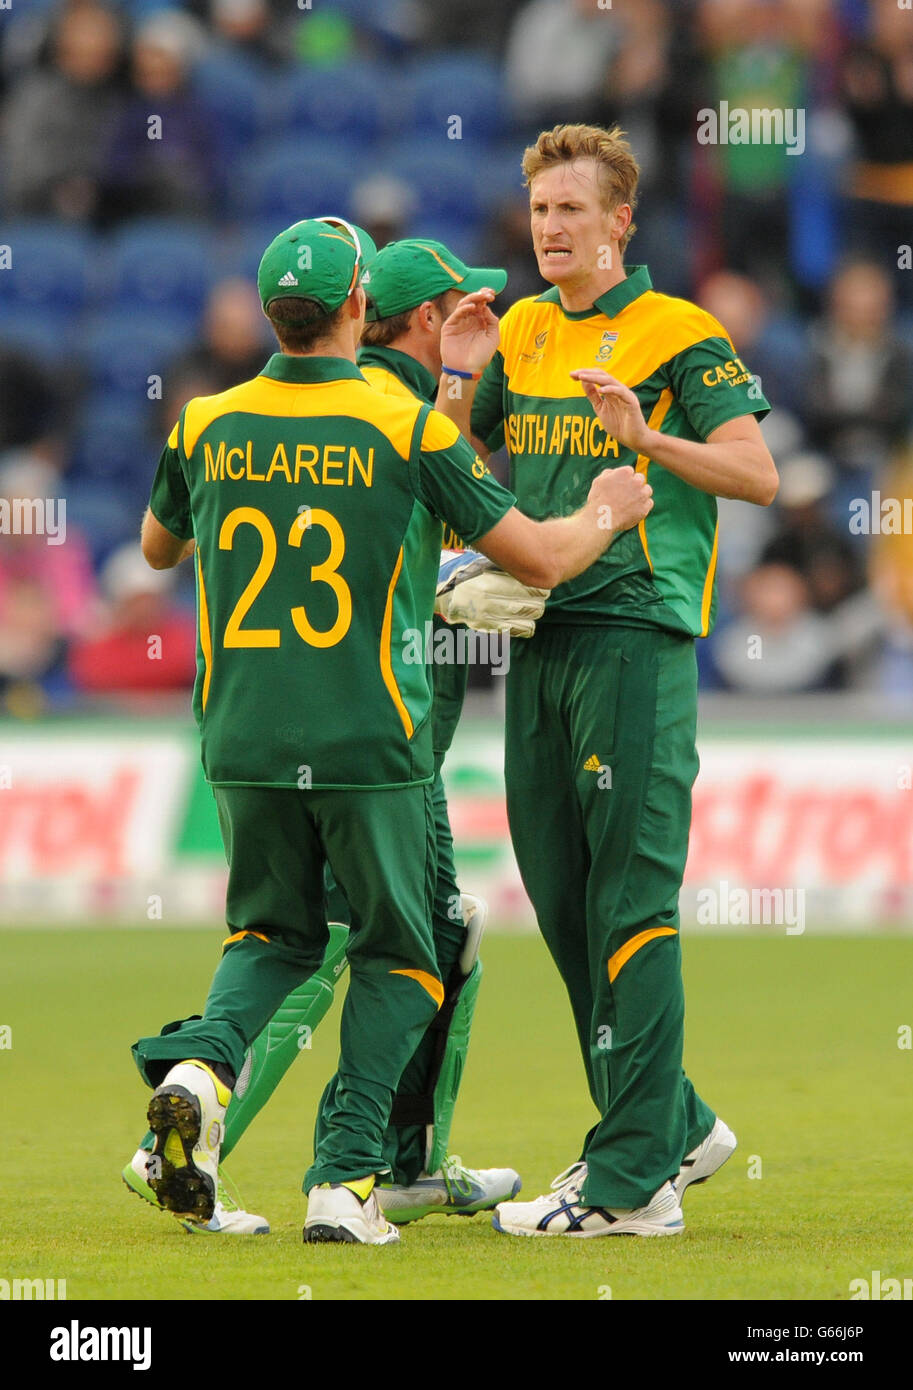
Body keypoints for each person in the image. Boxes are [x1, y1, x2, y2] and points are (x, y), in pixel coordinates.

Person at [129, 214, 654, 1245]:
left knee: (270, 937)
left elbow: (157, 548)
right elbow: (541, 558)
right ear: (360, 307)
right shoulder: (400, 426)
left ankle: (198, 1072)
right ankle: (346, 1179)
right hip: (371, 739)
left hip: (239, 741)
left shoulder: (202, 421)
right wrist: (605, 507)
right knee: (409, 954)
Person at [441, 123, 778, 1237]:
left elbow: (757, 473)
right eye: (539, 210)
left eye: (572, 210)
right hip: (537, 635)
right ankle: (672, 1121)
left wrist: (648, 440)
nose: (549, 228)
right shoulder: (523, 328)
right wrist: (454, 376)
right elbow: (456, 464)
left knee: (629, 901)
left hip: (634, 633)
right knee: (564, 903)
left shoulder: (678, 331)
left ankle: (633, 1185)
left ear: (620, 222)